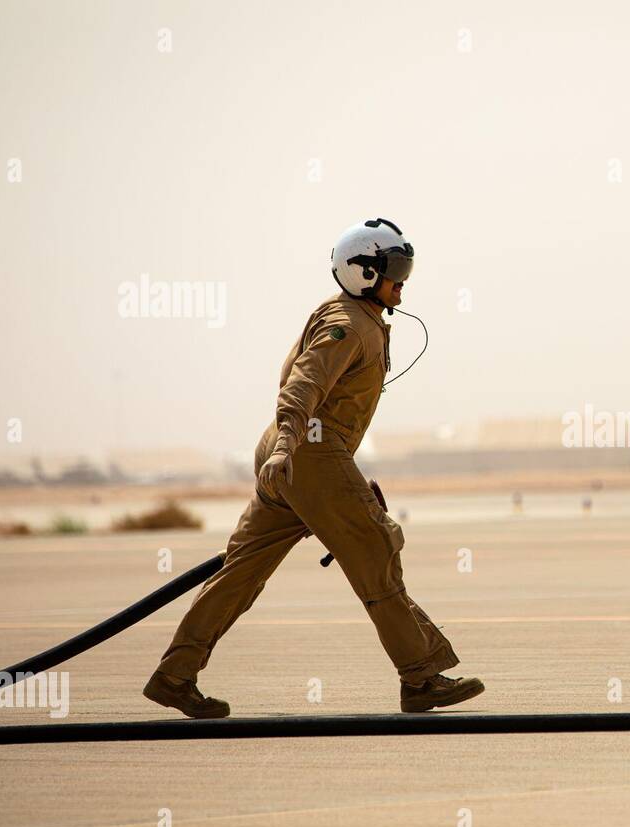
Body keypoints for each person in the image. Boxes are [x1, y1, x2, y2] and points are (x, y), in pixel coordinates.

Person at [143, 219, 484, 718]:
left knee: (240, 572)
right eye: (395, 270)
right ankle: (421, 676)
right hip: (306, 455)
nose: (403, 281)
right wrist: (289, 447)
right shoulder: (346, 324)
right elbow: (304, 384)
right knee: (376, 551)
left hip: (300, 461)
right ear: (364, 273)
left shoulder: (353, 316)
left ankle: (175, 676)